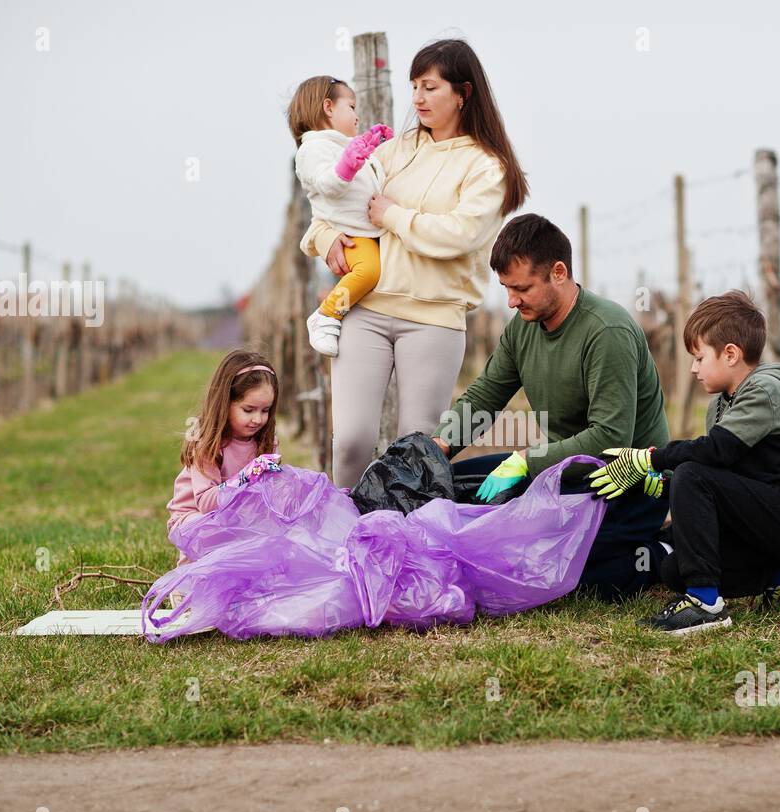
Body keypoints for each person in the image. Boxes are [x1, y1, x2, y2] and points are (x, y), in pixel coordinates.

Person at [299, 38, 529, 487]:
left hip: (434, 319)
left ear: (463, 93)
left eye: (430, 87)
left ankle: (402, 550)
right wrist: (323, 238)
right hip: (366, 310)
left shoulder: (488, 167)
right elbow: (333, 201)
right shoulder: (395, 150)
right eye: (414, 88)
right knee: (351, 441)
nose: (418, 99)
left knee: (413, 451)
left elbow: (459, 235)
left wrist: (393, 216)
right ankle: (341, 541)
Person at [432, 213, 670, 600]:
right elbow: (485, 396)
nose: (511, 301)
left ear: (558, 272)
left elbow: (610, 438)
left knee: (563, 576)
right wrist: (438, 446)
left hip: (626, 485)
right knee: (453, 489)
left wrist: (526, 461)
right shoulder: (523, 326)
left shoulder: (606, 332)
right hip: (562, 473)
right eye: (506, 288)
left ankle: (662, 551)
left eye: (521, 288)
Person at [589, 290, 780, 634]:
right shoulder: (719, 404)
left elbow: (714, 453)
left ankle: (706, 606)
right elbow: (723, 479)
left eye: (699, 357)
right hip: (762, 522)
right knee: (676, 569)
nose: (692, 368)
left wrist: (648, 458)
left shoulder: (765, 391)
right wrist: (657, 485)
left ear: (730, 354)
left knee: (693, 473)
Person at [166, 350, 283, 611]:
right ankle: (187, 578)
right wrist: (248, 475)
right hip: (195, 520)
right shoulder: (207, 442)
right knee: (212, 529)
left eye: (265, 410)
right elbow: (207, 502)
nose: (258, 419)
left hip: (238, 516)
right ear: (224, 402)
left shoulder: (265, 440)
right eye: (248, 409)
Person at [287, 75, 394, 357]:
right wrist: (348, 164)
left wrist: (373, 146)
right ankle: (326, 314)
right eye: (352, 107)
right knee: (369, 271)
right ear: (328, 107)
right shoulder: (312, 149)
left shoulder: (344, 146)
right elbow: (327, 185)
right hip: (349, 233)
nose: (358, 116)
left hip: (366, 230)